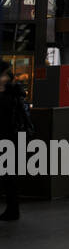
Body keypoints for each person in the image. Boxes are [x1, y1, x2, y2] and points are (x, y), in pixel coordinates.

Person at [0, 62, 33, 221]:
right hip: (10, 138)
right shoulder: (14, 94)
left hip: (9, 138)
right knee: (8, 176)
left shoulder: (10, 96)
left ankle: (13, 209)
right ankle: (12, 209)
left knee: (9, 176)